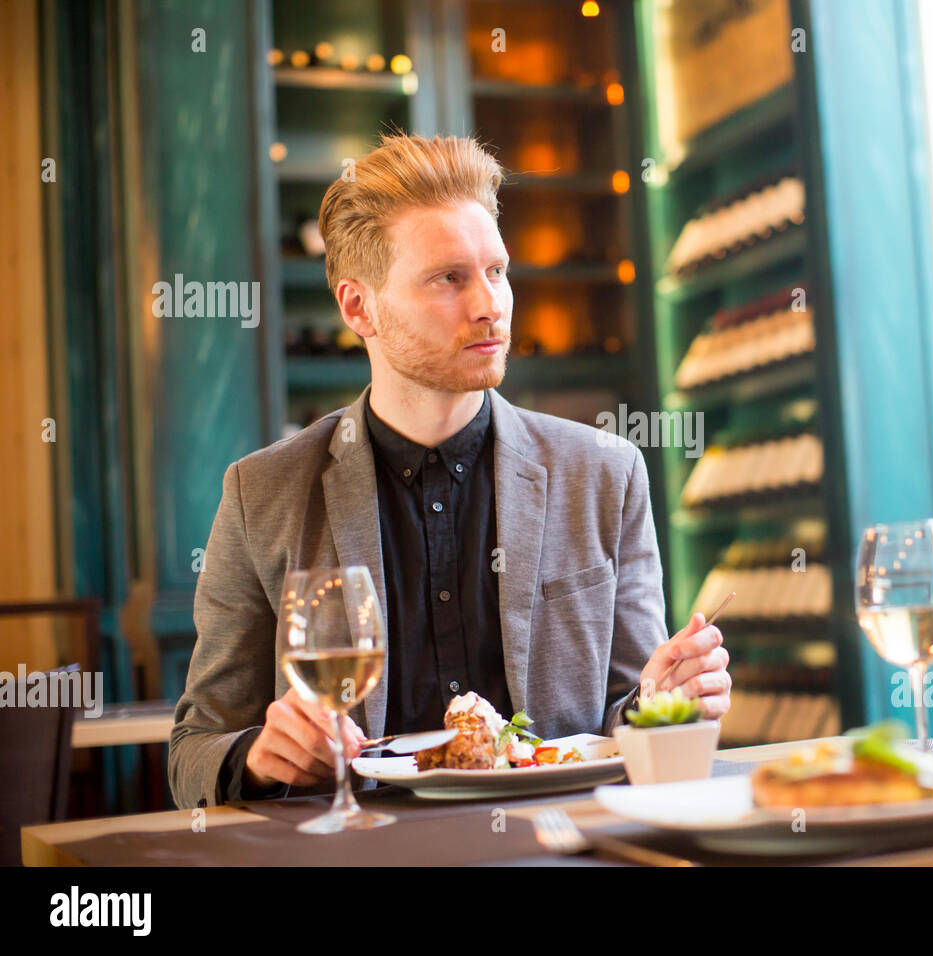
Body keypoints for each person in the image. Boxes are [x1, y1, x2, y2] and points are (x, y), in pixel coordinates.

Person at [168, 133, 731, 808]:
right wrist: (257, 757)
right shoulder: (261, 494)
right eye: (449, 278)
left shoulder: (606, 476)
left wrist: (663, 704)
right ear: (358, 308)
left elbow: (622, 720)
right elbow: (193, 752)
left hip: (554, 853)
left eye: (497, 271)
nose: (489, 304)